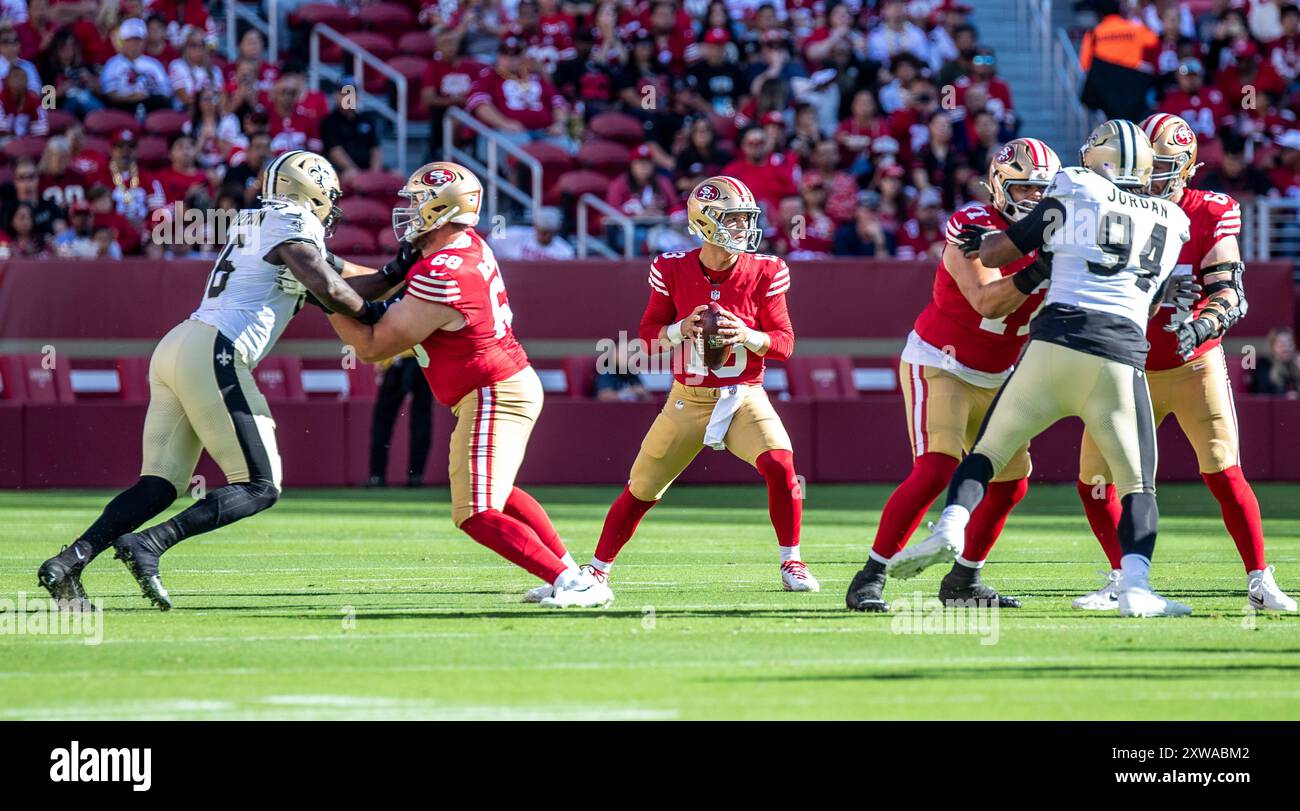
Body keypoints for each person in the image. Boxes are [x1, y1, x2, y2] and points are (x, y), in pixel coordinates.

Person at [37, 151, 412, 611]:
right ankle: (149, 544)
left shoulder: (261, 222)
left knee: (158, 485)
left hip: (180, 345)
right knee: (261, 484)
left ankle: (68, 562)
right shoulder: (291, 222)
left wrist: (397, 271)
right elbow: (333, 290)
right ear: (309, 190)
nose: (329, 208)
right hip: (216, 348)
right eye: (327, 197)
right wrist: (376, 313)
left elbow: (342, 283)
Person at [891, 120, 1193, 618]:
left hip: (1053, 344)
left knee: (986, 454)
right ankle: (1135, 586)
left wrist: (990, 246)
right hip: (1118, 356)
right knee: (1138, 484)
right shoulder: (1172, 218)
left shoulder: (1074, 188)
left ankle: (949, 525)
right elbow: (1152, 294)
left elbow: (997, 251)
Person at [325, 162, 609, 609]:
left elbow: (373, 345)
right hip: (500, 385)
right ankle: (571, 574)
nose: (410, 209)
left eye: (419, 201)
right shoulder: (460, 246)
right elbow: (379, 289)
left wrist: (321, 296)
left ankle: (574, 583)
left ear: (442, 207)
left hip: (495, 390)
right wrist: (327, 270)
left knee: (475, 512)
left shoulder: (444, 271)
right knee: (499, 494)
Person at [1074, 114, 1296, 613]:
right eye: (1149, 164)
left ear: (1189, 168)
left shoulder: (1210, 210)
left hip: (1192, 363)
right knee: (1093, 480)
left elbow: (1230, 293)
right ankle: (1121, 577)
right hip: (1124, 364)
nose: (1154, 176)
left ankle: (1260, 578)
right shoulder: (1113, 210)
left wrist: (1201, 326)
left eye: (1165, 166)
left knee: (1223, 470)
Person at [845, 138, 1059, 613]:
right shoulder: (974, 225)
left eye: (1043, 191)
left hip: (1000, 372)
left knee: (1012, 483)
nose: (1034, 201)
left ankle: (964, 580)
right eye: (1024, 188)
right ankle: (870, 575)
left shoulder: (1063, 238)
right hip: (941, 363)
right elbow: (986, 301)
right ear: (1000, 187)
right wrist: (1043, 268)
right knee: (937, 467)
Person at [582, 175, 820, 594]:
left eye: (747, 220)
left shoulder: (767, 270)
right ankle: (597, 568)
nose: (744, 229)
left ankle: (792, 562)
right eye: (734, 220)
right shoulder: (671, 267)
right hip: (687, 399)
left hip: (743, 395)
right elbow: (648, 335)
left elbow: (784, 344)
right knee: (642, 488)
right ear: (706, 222)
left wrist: (745, 334)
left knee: (781, 466)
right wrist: (680, 329)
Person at [1079, 0, 1158, 122]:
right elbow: (1154, 41)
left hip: (1106, 90)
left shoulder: (1094, 34)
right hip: (1132, 87)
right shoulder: (1134, 29)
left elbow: (1085, 65)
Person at [366, 352, 433, 489]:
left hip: (398, 360)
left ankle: (377, 476)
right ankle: (416, 476)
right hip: (424, 362)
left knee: (383, 422)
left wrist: (380, 361)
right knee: (422, 422)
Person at [99, 17, 171, 113]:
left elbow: (166, 92)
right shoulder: (113, 64)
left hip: (151, 106)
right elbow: (109, 94)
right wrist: (130, 97)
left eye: (138, 40)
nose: (135, 44)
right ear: (123, 42)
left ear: (144, 42)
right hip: (124, 107)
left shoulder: (154, 64)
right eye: (130, 40)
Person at [490, 206, 574, 260]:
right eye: (543, 232)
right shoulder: (516, 235)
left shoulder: (564, 251)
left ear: (556, 231)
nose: (546, 236)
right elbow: (491, 241)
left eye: (550, 232)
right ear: (535, 226)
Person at [1247, 327, 1300, 395]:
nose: (1287, 348)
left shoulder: (1294, 364)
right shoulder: (1264, 364)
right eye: (1282, 344)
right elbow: (1261, 390)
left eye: (1290, 344)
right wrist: (1284, 395)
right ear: (1272, 346)